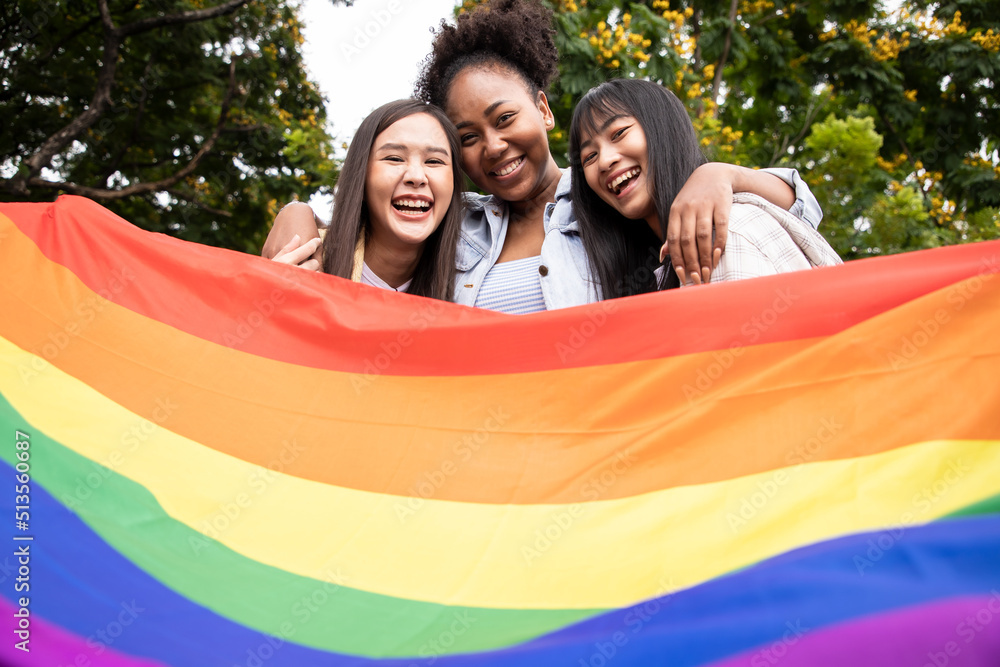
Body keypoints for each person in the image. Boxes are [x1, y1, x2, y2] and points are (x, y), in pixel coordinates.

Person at [265, 0, 824, 311]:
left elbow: (795, 221)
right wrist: (297, 215)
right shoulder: (458, 228)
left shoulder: (612, 199)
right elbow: (366, 238)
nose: (494, 146)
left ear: (543, 109)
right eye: (467, 136)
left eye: (505, 119)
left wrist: (719, 172)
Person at [569, 78, 842, 298]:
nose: (605, 161)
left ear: (662, 129)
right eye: (589, 157)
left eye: (618, 133)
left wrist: (723, 173)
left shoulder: (718, 233)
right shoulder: (656, 264)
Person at [272, 99, 463, 301]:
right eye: (395, 158)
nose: (416, 176)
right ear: (361, 177)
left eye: (434, 161)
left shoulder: (473, 278)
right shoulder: (300, 262)